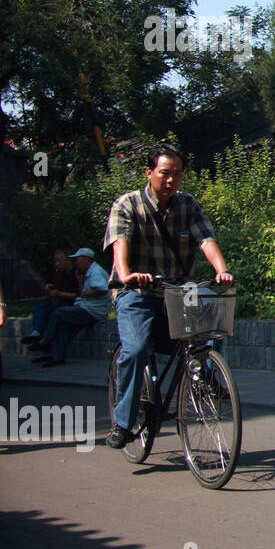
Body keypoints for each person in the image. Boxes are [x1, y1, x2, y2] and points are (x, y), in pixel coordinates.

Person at [102, 143, 233, 450]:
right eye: (165, 173)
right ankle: (123, 422)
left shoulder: (187, 204)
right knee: (135, 351)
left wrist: (222, 270)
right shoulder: (128, 205)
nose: (172, 179)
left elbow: (206, 238)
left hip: (176, 292)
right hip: (137, 291)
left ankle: (204, 374)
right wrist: (125, 273)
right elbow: (120, 242)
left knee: (211, 325)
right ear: (149, 173)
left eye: (178, 173)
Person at [31, 248, 111, 367]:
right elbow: (84, 291)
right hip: (87, 308)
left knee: (59, 313)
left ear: (86, 259)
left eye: (77, 259)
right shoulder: (87, 272)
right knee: (65, 326)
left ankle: (44, 342)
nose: (75, 262)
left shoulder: (96, 271)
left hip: (92, 311)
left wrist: (85, 293)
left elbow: (102, 289)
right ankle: (57, 357)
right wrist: (80, 282)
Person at [22, 249, 80, 346]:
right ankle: (36, 333)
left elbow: (78, 295)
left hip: (72, 304)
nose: (56, 264)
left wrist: (59, 294)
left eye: (59, 260)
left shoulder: (76, 274)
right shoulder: (60, 274)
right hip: (60, 303)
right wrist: (51, 289)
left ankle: (44, 342)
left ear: (68, 260)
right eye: (55, 261)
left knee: (53, 315)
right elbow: (57, 289)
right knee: (42, 308)